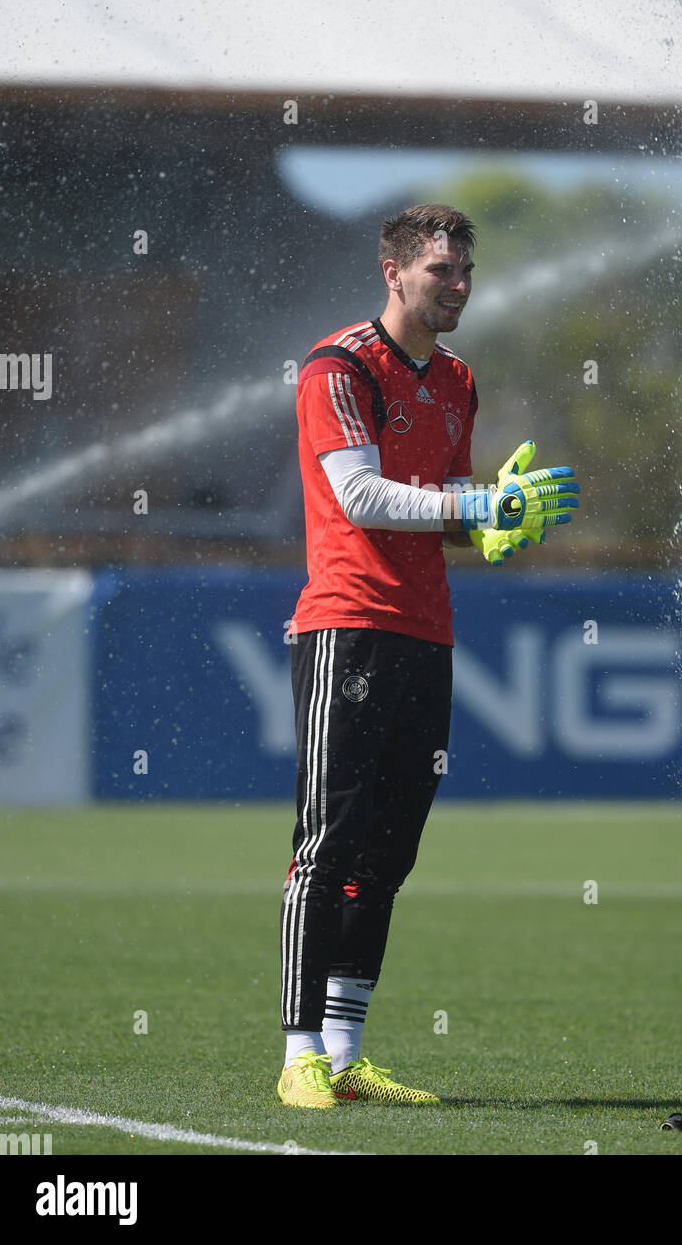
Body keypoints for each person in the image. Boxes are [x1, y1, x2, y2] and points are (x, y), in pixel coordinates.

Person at [277, 203, 579, 1109]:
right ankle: (296, 1055)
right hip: (347, 623)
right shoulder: (336, 367)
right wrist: (481, 507)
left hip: (426, 628)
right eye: (441, 270)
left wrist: (490, 522)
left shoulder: (456, 378)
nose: (458, 286)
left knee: (389, 850)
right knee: (325, 844)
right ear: (392, 270)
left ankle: (344, 1050)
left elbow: (441, 499)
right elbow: (362, 497)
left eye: (465, 272)